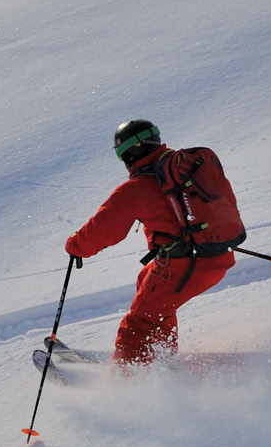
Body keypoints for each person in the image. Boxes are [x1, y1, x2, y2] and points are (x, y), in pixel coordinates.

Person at [64, 119, 247, 365]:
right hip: (218, 254)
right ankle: (161, 359)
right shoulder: (183, 172)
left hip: (185, 266)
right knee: (148, 283)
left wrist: (75, 246)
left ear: (128, 154)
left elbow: (104, 230)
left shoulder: (137, 188)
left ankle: (126, 383)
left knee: (138, 324)